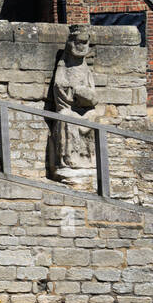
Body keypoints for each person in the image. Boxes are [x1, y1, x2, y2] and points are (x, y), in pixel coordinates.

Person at [47, 24, 97, 184]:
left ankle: (88, 159)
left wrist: (87, 95)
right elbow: (58, 86)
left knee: (94, 116)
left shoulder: (85, 69)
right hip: (68, 107)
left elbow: (93, 93)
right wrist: (74, 92)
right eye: (78, 42)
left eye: (85, 43)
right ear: (70, 43)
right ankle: (68, 159)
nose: (81, 46)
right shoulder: (64, 65)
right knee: (65, 116)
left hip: (83, 109)